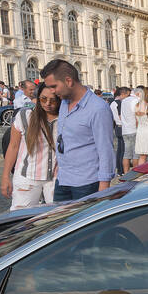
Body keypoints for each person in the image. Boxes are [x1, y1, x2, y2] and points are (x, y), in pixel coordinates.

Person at [42, 60, 115, 201]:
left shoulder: (97, 108)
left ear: (68, 81)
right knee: (62, 223)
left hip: (87, 184)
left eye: (54, 86)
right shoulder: (64, 103)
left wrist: (103, 190)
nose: (52, 91)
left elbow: (105, 150)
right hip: (63, 179)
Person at [2, 84, 59, 209]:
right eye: (43, 99)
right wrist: (5, 176)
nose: (48, 103)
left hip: (56, 178)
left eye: (53, 100)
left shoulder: (65, 119)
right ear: (38, 98)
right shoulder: (24, 116)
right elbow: (13, 146)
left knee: (56, 219)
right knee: (21, 220)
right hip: (27, 177)